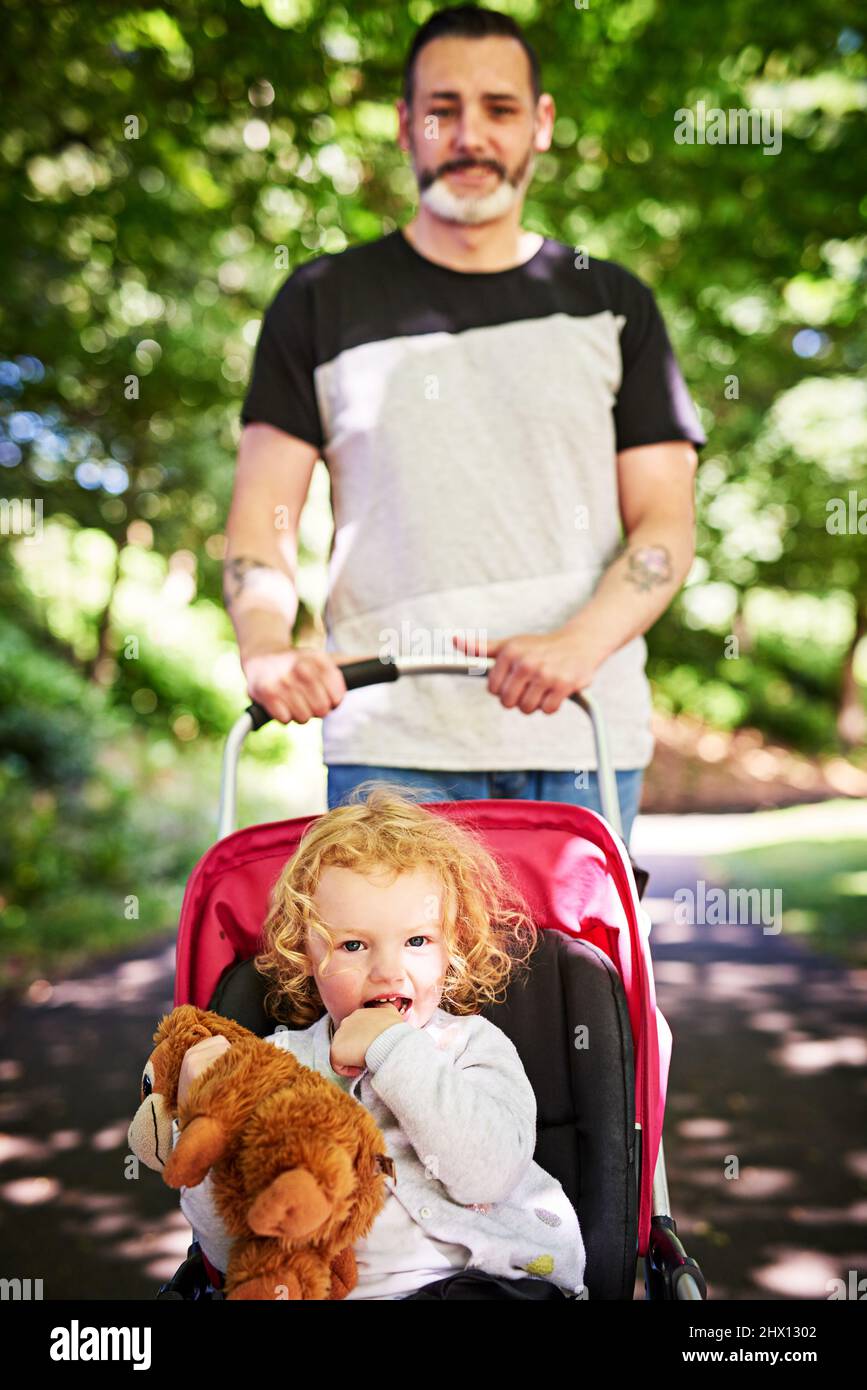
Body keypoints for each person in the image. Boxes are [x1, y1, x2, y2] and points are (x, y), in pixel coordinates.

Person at [223, 5, 707, 850]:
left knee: (582, 988)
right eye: (442, 109)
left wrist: (577, 644)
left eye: (500, 108)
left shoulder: (610, 301)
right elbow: (263, 517)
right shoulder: (320, 300)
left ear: (541, 125)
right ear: (407, 126)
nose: (470, 134)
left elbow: (664, 524)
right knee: (386, 990)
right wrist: (266, 644)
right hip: (390, 747)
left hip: (582, 737)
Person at [173, 784, 586, 1300]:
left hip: (492, 1284)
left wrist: (392, 1048)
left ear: (449, 947)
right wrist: (203, 1121)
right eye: (353, 945)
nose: (388, 971)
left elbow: (488, 1175)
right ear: (304, 954)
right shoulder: (275, 1068)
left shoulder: (471, 1048)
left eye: (417, 941)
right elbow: (231, 1244)